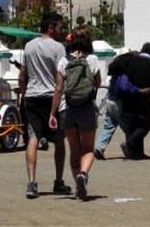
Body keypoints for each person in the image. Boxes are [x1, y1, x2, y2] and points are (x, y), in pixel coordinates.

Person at [19, 13, 71, 200]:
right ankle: (58, 181)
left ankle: (32, 183)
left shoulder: (28, 46)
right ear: (51, 27)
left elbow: (22, 75)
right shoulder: (58, 48)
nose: (61, 30)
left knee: (33, 138)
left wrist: (25, 95)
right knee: (59, 140)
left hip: (32, 97)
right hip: (51, 98)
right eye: (59, 27)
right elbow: (60, 79)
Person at [50, 27, 102, 200]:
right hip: (87, 108)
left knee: (74, 150)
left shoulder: (64, 61)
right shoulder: (93, 59)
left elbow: (58, 90)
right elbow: (98, 82)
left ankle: (78, 186)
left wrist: (52, 113)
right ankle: (83, 174)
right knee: (88, 149)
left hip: (68, 109)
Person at [118, 42, 150, 160]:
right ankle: (129, 144)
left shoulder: (130, 62)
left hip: (129, 98)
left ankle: (137, 153)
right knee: (144, 126)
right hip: (145, 99)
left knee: (132, 125)